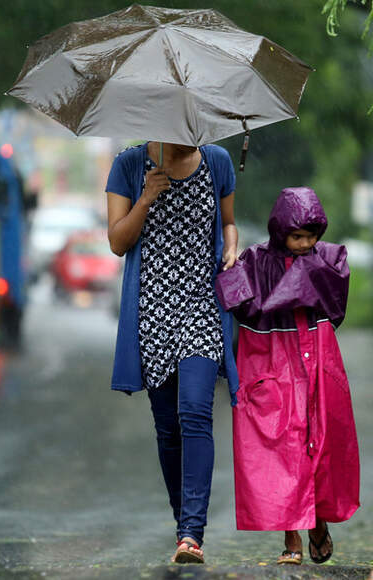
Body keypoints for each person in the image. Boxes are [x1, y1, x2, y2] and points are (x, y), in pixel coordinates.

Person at [105, 141, 240, 564]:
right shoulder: (127, 165)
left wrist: (232, 246)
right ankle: (183, 522)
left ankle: (191, 534)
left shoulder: (216, 161)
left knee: (196, 411)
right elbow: (117, 242)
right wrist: (146, 196)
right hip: (153, 312)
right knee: (167, 429)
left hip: (202, 308)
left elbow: (230, 223)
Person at [215, 186, 360, 565]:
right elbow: (235, 299)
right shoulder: (256, 261)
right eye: (297, 236)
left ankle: (318, 521)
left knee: (321, 445)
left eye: (311, 236)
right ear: (281, 232)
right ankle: (292, 538)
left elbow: (335, 302)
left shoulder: (326, 259)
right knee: (281, 450)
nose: (304, 244)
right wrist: (232, 264)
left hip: (317, 360)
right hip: (274, 365)